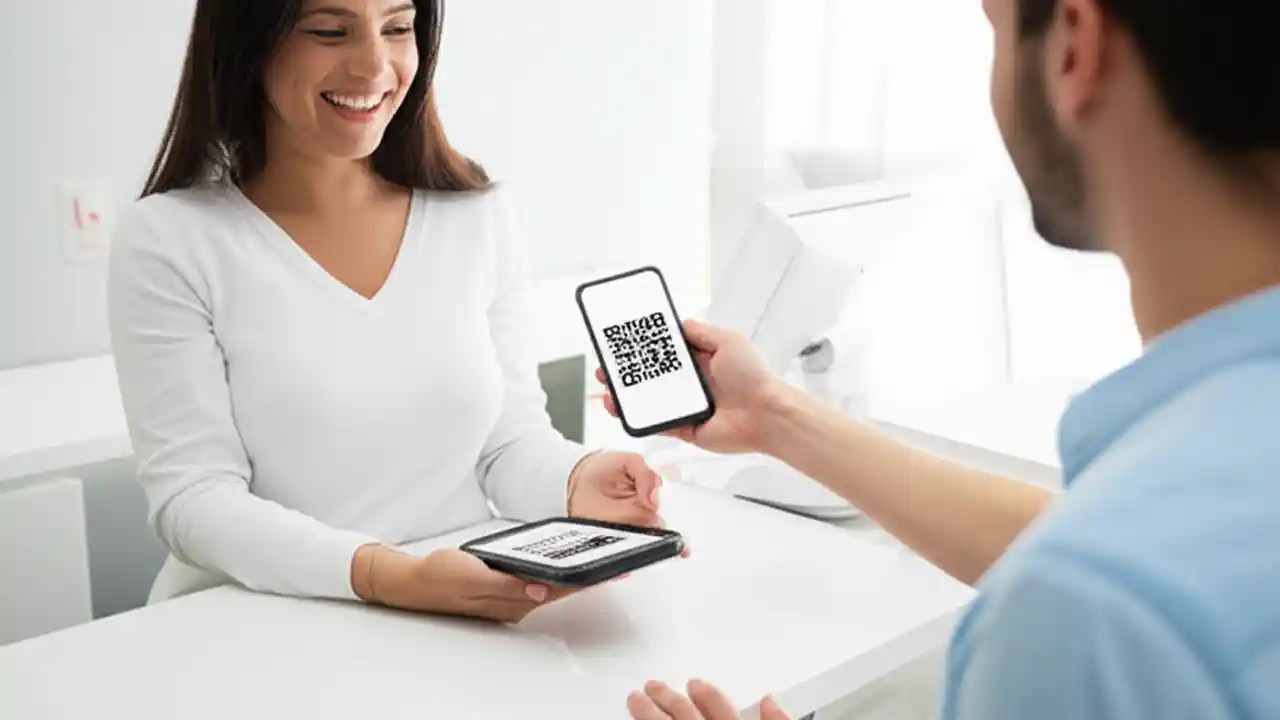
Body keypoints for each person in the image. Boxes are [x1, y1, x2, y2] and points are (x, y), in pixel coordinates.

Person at [621, 0, 1280, 717]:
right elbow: (1090, 537)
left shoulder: (1089, 615)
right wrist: (773, 414)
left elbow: (1094, 578)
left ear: (1072, 45)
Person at [108, 0, 670, 623]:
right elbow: (193, 500)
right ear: (249, 44)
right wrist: (389, 576)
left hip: (448, 615)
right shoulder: (169, 239)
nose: (375, 65)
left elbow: (506, 444)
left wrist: (578, 480)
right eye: (330, 31)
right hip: (252, 627)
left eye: (398, 29)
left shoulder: (475, 214)